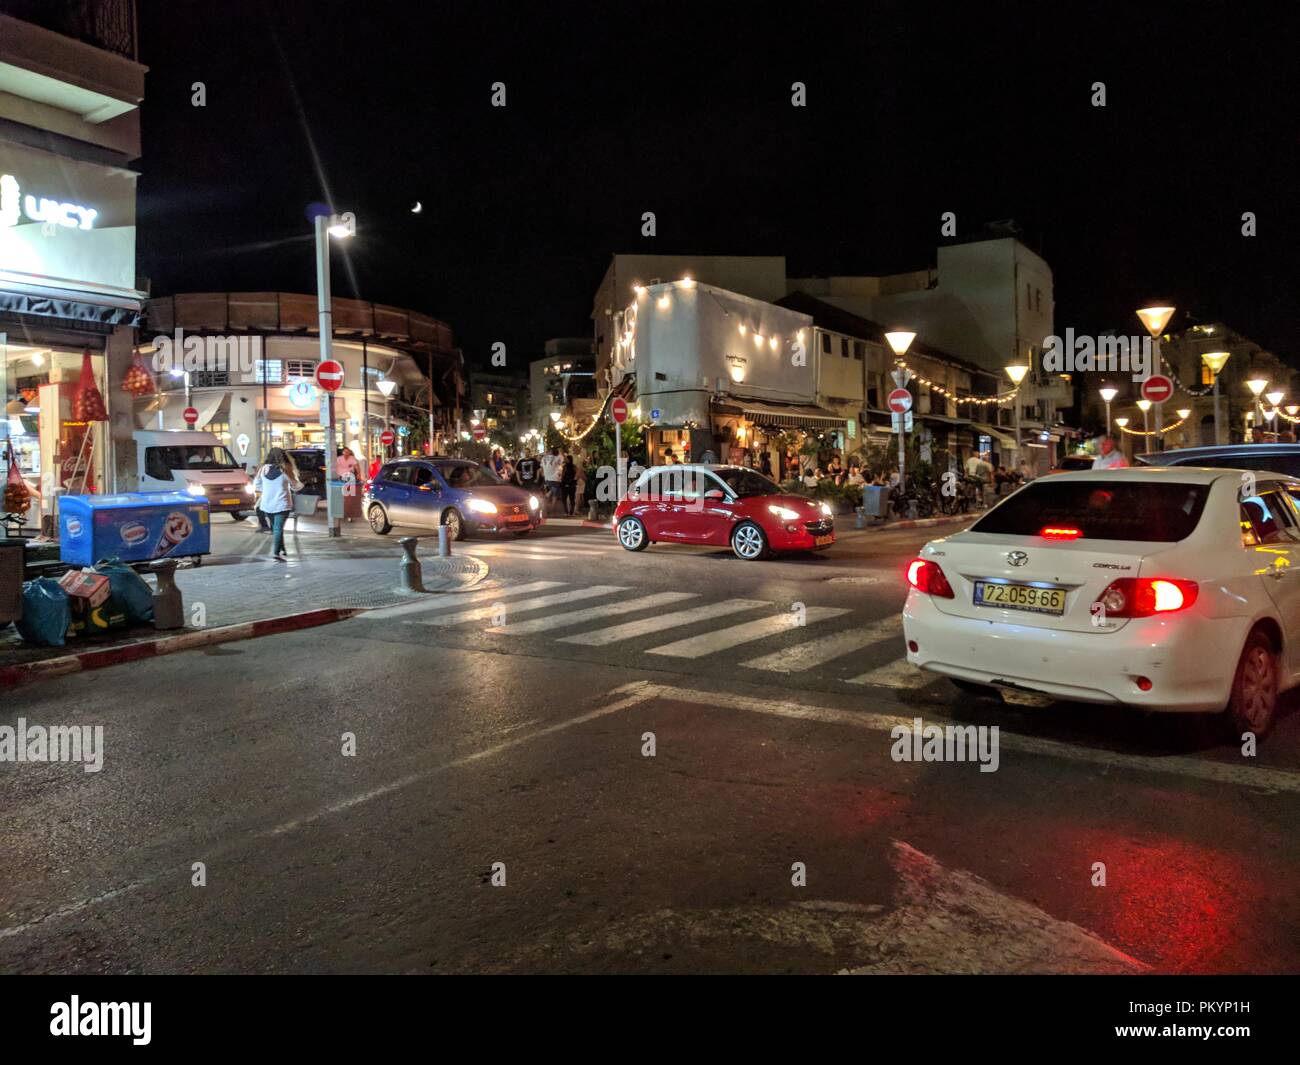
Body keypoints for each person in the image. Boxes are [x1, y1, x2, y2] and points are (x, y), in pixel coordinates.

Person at [254, 447, 302, 562]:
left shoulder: (263, 469)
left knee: (275, 528)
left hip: (267, 504)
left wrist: (266, 490)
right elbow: (295, 485)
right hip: (282, 503)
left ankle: (282, 549)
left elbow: (257, 484)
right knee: (278, 528)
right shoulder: (285, 469)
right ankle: (276, 552)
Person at [541, 446, 564, 514]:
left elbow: (541, 468)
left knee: (550, 494)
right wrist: (561, 452)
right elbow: (564, 460)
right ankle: (553, 511)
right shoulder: (557, 458)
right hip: (555, 479)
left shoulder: (544, 458)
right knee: (554, 496)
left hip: (547, 479)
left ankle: (546, 508)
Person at [560, 451, 578, 516]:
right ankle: (569, 512)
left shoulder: (566, 467)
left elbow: (562, 475)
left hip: (568, 483)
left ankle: (568, 512)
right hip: (570, 483)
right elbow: (576, 474)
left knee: (567, 498)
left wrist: (562, 480)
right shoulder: (572, 466)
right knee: (570, 498)